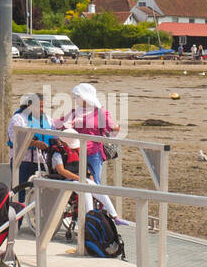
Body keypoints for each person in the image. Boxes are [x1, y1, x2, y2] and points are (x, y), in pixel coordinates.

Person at [55, 82, 128, 225]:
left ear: (86, 97)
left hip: (93, 153)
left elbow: (112, 129)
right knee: (83, 184)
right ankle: (90, 216)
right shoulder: (74, 112)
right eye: (75, 96)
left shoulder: (100, 113)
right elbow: (58, 124)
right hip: (75, 152)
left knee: (96, 184)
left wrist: (116, 128)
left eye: (78, 96)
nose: (76, 99)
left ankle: (103, 216)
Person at [8, 92, 53, 204]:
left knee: (44, 197)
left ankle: (41, 221)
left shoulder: (48, 119)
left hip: (43, 162)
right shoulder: (18, 119)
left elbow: (55, 135)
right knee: (19, 196)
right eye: (39, 106)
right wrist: (35, 143)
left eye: (43, 106)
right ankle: (16, 220)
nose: (41, 109)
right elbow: (16, 139)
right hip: (22, 162)